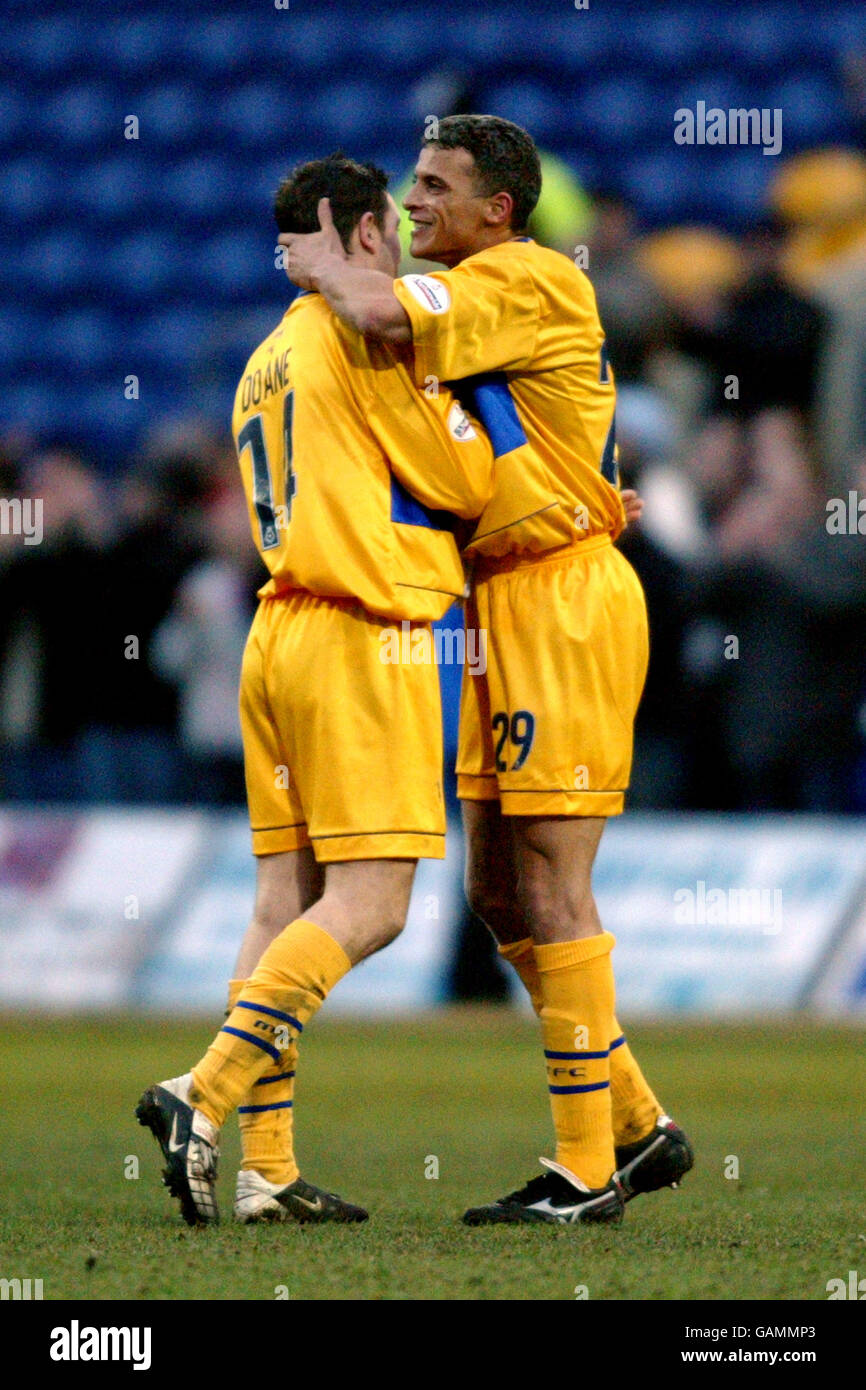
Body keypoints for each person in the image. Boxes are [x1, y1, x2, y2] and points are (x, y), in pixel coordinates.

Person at [280, 115, 693, 1226]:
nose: (415, 203)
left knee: (552, 885)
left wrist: (320, 258)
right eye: (410, 185)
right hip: (506, 598)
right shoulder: (484, 301)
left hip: (558, 599)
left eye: (433, 185)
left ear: (496, 209)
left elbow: (377, 309)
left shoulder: (521, 275)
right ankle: (635, 1121)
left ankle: (585, 1173)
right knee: (498, 890)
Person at [136, 155, 496, 1225]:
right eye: (392, 223)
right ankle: (203, 1092)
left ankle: (268, 1169)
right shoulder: (363, 334)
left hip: (278, 632)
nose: (405, 240)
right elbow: (462, 480)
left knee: (281, 902)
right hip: (362, 631)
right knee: (374, 904)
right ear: (357, 231)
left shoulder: (263, 358)